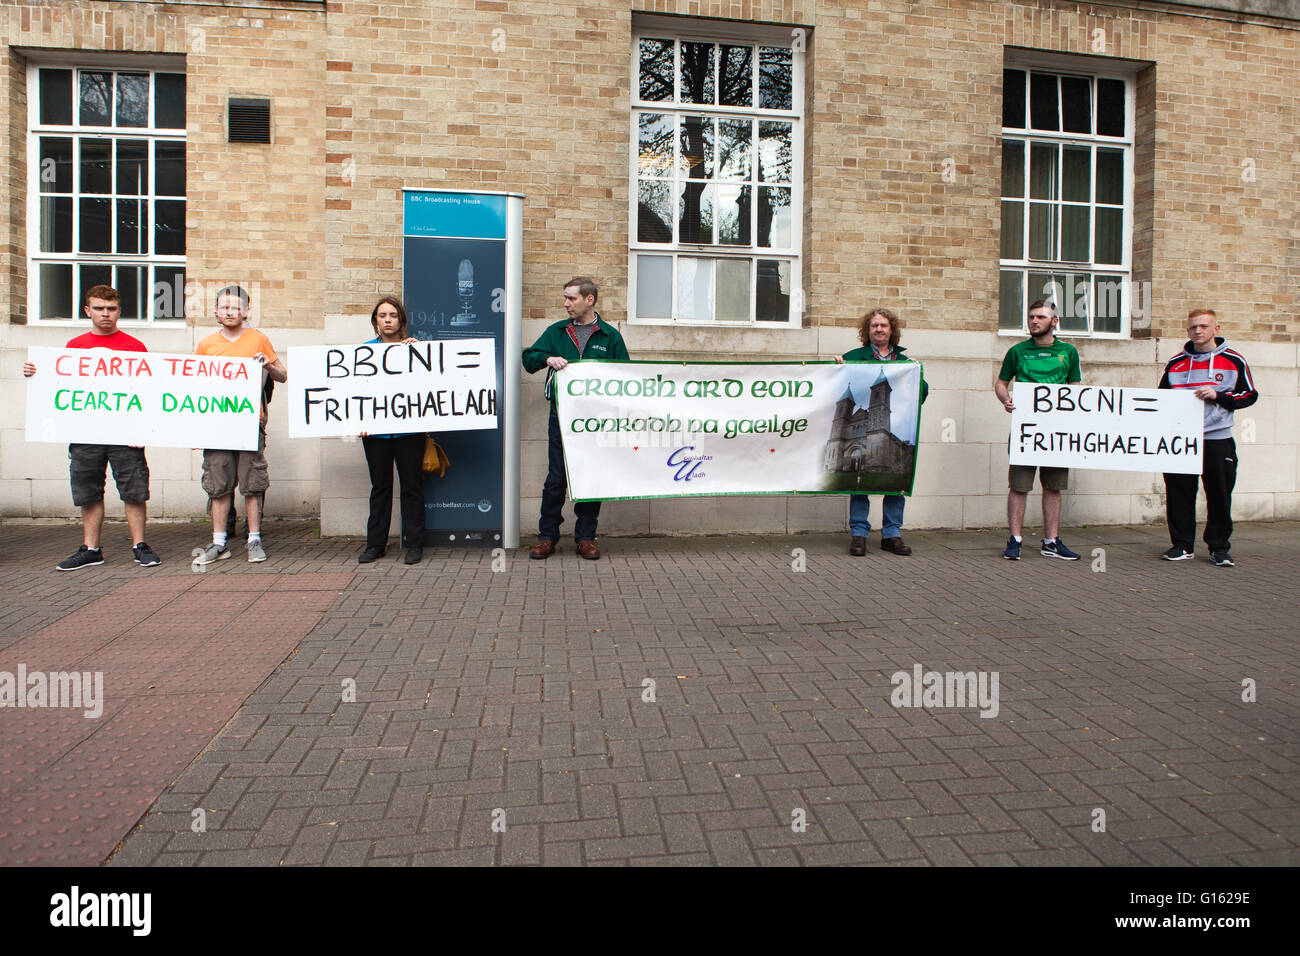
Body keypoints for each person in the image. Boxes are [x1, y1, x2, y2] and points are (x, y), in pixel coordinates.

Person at [22, 285, 162, 571]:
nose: (105, 314)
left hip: (126, 433)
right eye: (99, 308)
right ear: (87, 311)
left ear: (119, 311)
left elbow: (149, 391)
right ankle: (91, 548)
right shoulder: (75, 346)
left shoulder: (135, 347)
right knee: (88, 491)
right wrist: (38, 373)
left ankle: (140, 545)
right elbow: (61, 386)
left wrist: (143, 429)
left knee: (134, 490)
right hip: (86, 432)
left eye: (111, 308)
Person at [522, 277, 629, 560]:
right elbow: (529, 357)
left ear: (589, 299)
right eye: (566, 298)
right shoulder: (556, 331)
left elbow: (627, 376)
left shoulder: (610, 335)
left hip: (596, 419)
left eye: (571, 298)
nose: (566, 303)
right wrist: (547, 359)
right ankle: (547, 536)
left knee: (591, 475)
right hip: (562, 414)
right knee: (556, 477)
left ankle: (585, 537)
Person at [192, 285, 286, 564]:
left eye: (235, 307)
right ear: (215, 311)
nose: (229, 311)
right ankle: (219, 542)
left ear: (246, 310)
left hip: (249, 422)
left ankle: (254, 539)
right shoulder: (206, 344)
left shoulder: (259, 339)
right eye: (224, 307)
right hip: (217, 425)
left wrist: (268, 365)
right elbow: (193, 388)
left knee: (252, 483)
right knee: (219, 484)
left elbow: (283, 375)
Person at [1158, 308, 1258, 566]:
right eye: (1193, 327)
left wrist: (1218, 395)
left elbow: (1249, 395)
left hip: (1217, 439)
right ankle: (1181, 545)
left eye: (1203, 326)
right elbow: (1162, 401)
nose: (1198, 331)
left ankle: (1219, 548)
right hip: (1182, 440)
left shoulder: (1234, 361)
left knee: (1219, 494)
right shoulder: (1176, 363)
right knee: (1179, 492)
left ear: (1217, 328)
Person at [994, 299, 1082, 561]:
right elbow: (1000, 383)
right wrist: (1005, 399)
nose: (1034, 321)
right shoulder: (1017, 351)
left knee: (1053, 486)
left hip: (1057, 430)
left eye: (1041, 317)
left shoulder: (1068, 352)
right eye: (1031, 317)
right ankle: (1015, 539)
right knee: (1019, 485)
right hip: (1025, 428)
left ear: (1054, 321)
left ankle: (1051, 541)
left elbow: (1076, 385)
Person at [836, 308, 928, 556]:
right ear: (867, 331)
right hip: (858, 444)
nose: (879, 329)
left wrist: (916, 375)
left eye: (884, 325)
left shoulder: (905, 362)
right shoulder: (854, 357)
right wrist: (837, 368)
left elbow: (922, 393)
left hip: (886, 432)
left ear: (891, 330)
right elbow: (832, 383)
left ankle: (891, 534)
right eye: (874, 325)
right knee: (859, 483)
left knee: (895, 482)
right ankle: (858, 534)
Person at [357, 296, 426, 565]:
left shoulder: (415, 349)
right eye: (382, 315)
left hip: (409, 432)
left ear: (401, 320)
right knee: (380, 487)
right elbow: (355, 392)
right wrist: (358, 422)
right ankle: (375, 545)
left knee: (412, 486)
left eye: (393, 315)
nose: (387, 320)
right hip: (376, 433)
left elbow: (429, 386)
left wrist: (420, 353)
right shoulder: (363, 352)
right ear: (375, 320)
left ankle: (414, 543)